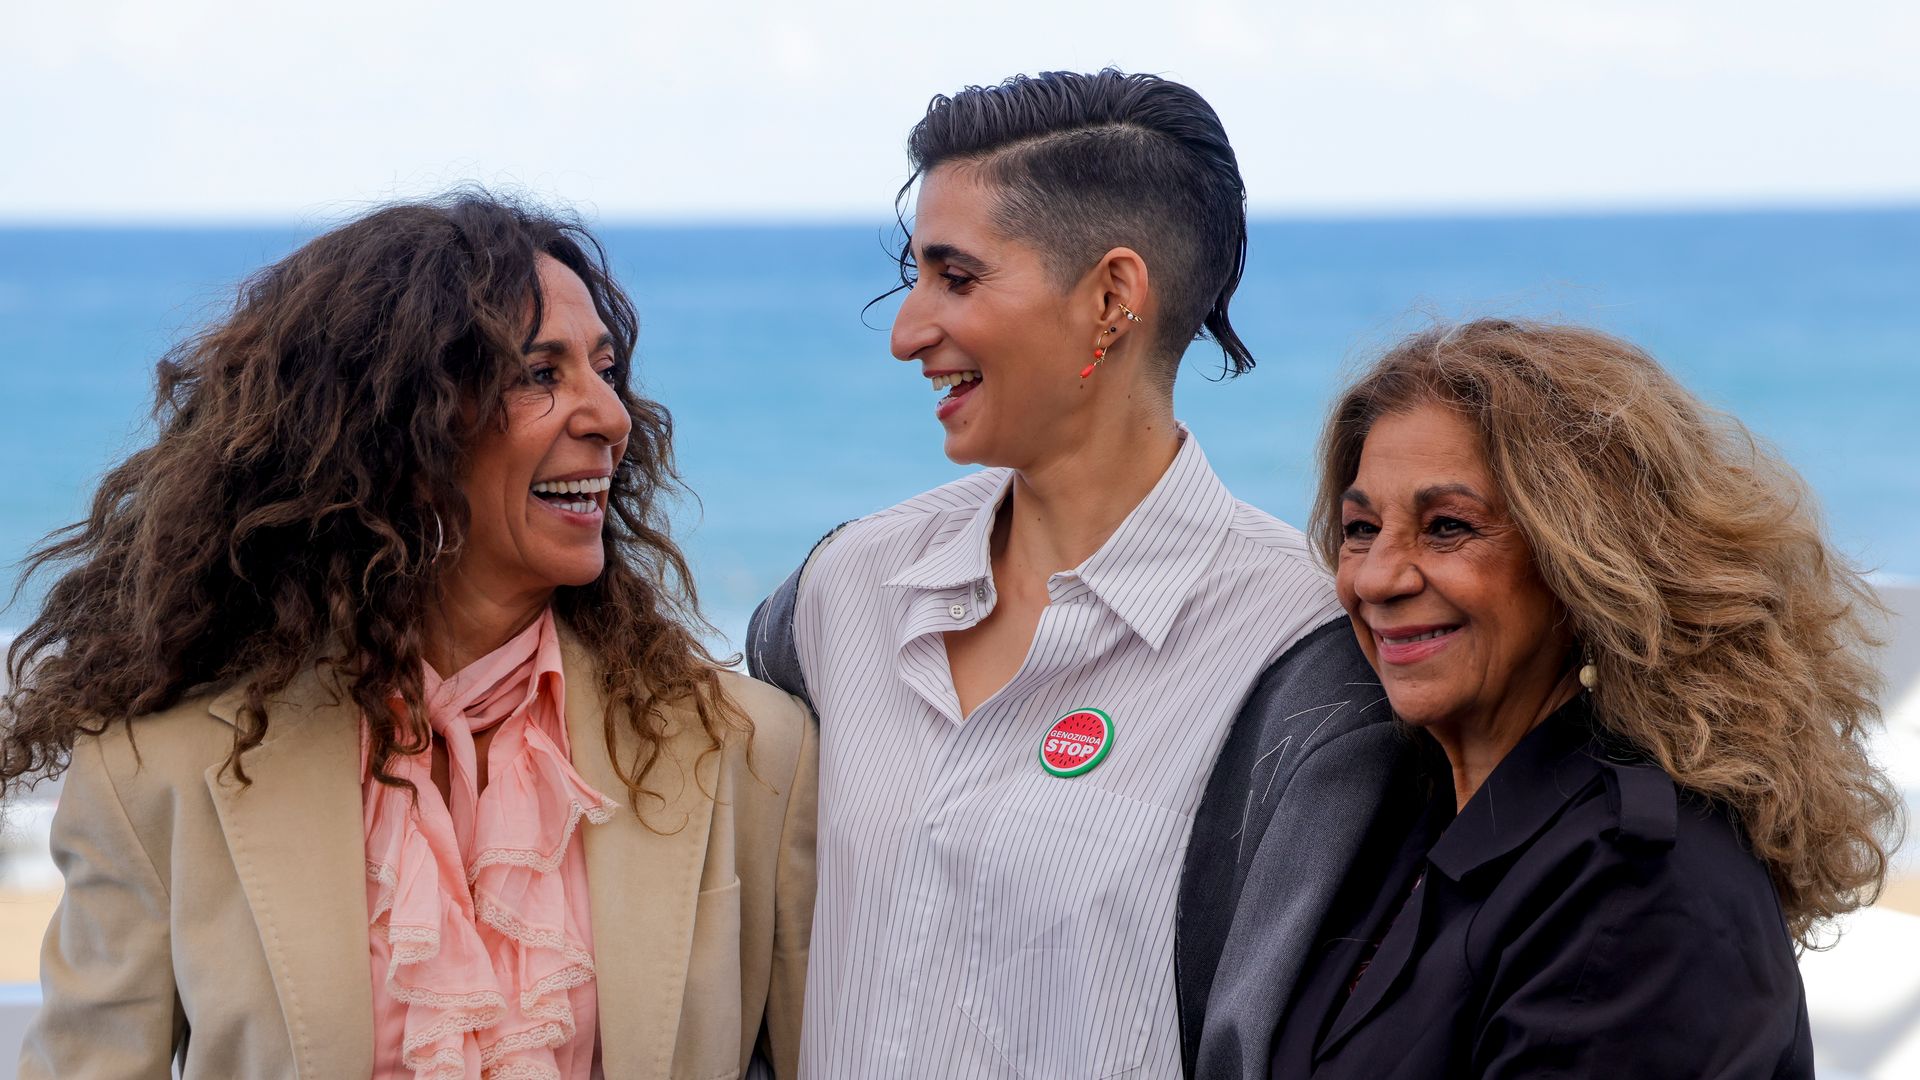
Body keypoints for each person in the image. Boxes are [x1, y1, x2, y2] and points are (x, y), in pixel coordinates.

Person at [2, 193, 816, 1079]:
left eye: (606, 369)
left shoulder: (755, 756)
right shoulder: (154, 770)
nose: (611, 418)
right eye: (540, 374)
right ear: (397, 430)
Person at [745, 70, 1405, 1079]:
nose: (907, 332)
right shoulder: (847, 587)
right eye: (915, 277)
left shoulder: (1300, 655)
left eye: (956, 278)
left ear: (1111, 298)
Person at [1254, 318, 1900, 1077]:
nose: (1376, 577)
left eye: (1448, 527)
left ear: (1588, 562)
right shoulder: (1403, 812)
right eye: (1361, 528)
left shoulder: (1637, 887)